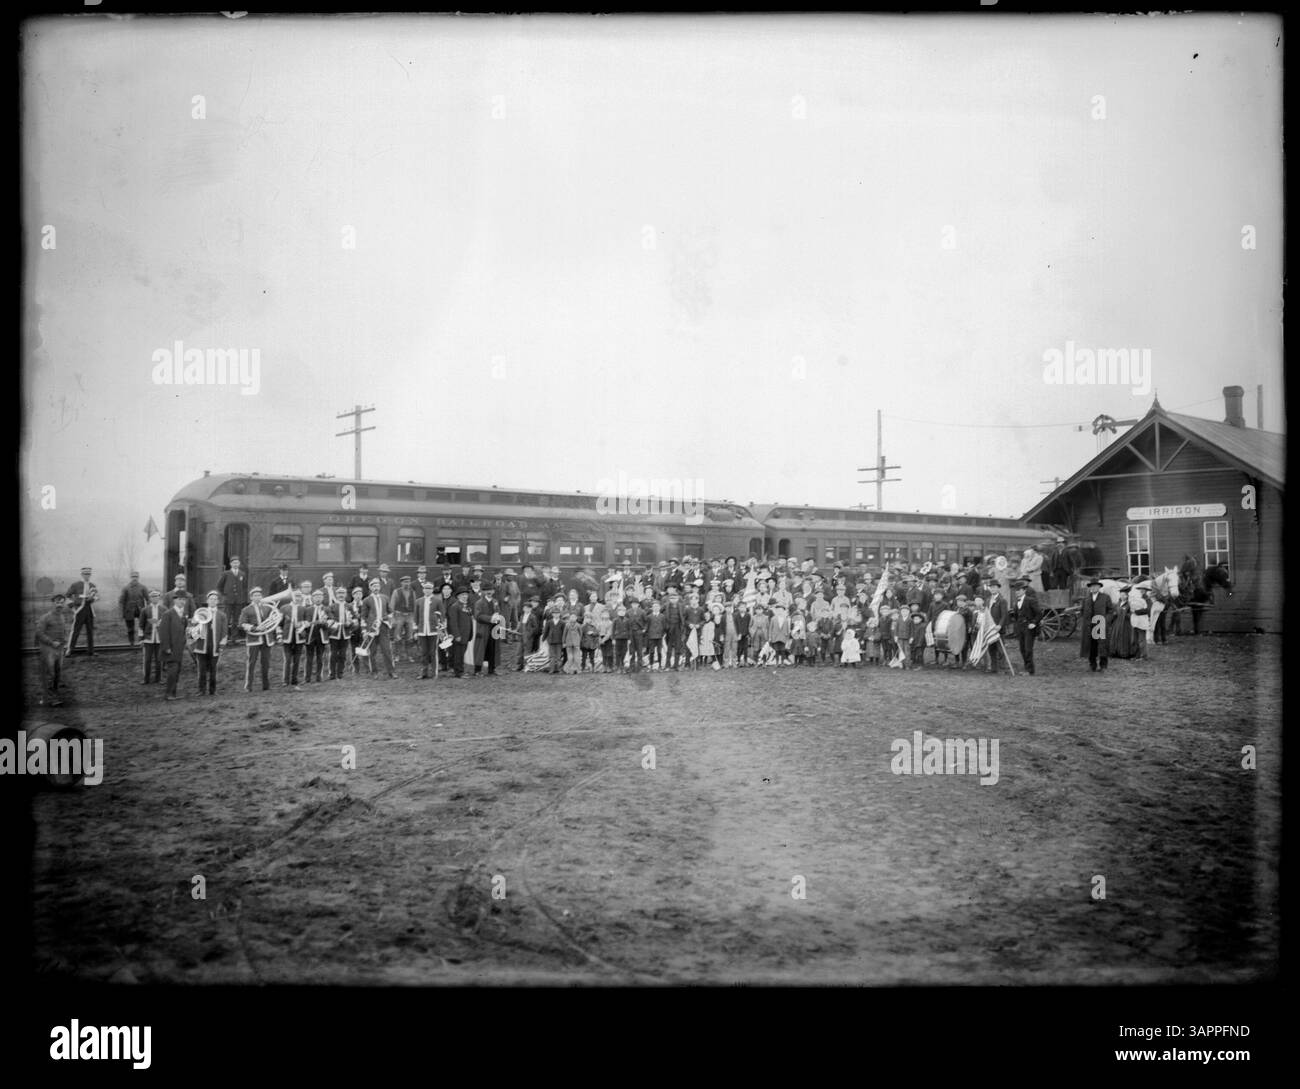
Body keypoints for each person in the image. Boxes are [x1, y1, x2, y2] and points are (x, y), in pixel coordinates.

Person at [239, 587, 277, 692]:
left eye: (259, 595)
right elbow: (242, 624)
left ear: (262, 597)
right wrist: (255, 628)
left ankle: (266, 686)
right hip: (253, 639)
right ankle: (248, 686)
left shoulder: (268, 608)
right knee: (251, 663)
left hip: (266, 639)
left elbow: (274, 619)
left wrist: (277, 618)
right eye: (255, 595)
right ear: (251, 597)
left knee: (266, 663)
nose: (257, 597)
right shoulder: (246, 609)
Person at [35, 593, 69, 705]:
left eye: (62, 602)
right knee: (50, 673)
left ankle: (54, 694)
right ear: (53, 603)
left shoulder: (62, 617)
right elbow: (39, 632)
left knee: (58, 673)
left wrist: (64, 641)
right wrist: (51, 642)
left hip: (59, 649)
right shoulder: (45, 617)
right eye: (57, 602)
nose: (59, 604)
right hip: (48, 650)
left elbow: (63, 631)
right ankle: (50, 699)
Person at [192, 590, 227, 696]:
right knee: (201, 669)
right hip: (202, 645)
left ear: (218, 601)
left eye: (215, 599)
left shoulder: (221, 615)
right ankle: (201, 690)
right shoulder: (200, 612)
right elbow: (193, 626)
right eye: (211, 599)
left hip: (215, 646)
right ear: (207, 600)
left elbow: (224, 631)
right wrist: (195, 623)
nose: (213, 601)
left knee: (213, 669)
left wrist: (221, 645)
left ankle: (213, 690)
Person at [360, 578, 396, 679]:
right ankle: (374, 672)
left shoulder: (385, 598)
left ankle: (391, 671)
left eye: (377, 586)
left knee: (387, 650)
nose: (376, 588)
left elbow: (390, 612)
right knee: (372, 651)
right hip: (371, 629)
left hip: (383, 628)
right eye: (373, 586)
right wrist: (364, 630)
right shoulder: (366, 600)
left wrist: (387, 619)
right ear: (370, 588)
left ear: (380, 587)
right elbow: (363, 617)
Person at [1078, 578, 1115, 672]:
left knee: (1102, 645)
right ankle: (1092, 664)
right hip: (1090, 626)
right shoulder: (1086, 599)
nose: (1094, 588)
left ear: (1099, 587)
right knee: (1091, 646)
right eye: (1092, 586)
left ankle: (1103, 665)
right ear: (1090, 588)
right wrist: (1085, 621)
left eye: (1096, 586)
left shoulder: (1105, 597)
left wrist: (1106, 620)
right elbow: (1082, 611)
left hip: (1101, 624)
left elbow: (1110, 611)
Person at [158, 594, 190, 701]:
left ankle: (173, 693)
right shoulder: (168, 614)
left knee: (177, 671)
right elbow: (163, 632)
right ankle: (169, 694)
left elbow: (184, 629)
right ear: (174, 600)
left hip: (179, 649)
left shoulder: (184, 614)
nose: (182, 602)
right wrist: (166, 647)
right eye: (180, 599)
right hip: (170, 649)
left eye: (184, 599)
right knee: (172, 671)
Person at [1009, 578, 1040, 675]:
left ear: (1024, 590)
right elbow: (1017, 616)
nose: (1017, 592)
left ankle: (1030, 670)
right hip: (1020, 628)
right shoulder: (1016, 602)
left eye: (1019, 590)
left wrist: (1034, 623)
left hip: (1029, 628)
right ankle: (1026, 668)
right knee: (1022, 649)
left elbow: (1039, 613)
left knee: (1028, 649)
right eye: (1016, 590)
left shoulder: (1031, 600)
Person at [65, 566, 98, 656]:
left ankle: (91, 651)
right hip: (79, 611)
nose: (87, 576)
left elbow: (95, 596)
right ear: (82, 574)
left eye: (89, 574)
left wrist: (92, 598)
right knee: (75, 631)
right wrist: (73, 607)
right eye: (85, 574)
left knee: (90, 631)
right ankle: (69, 650)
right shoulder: (75, 585)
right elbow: (67, 596)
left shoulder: (92, 585)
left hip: (89, 610)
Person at [279, 591, 309, 688]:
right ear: (292, 597)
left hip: (299, 637)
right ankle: (285, 680)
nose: (297, 598)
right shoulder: (284, 608)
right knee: (287, 660)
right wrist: (279, 636)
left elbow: (307, 622)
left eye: (299, 596)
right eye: (296, 596)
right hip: (287, 637)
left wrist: (301, 624)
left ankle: (294, 679)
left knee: (297, 660)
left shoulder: (304, 609)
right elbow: (279, 624)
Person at [413, 582, 443, 680]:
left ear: (432, 590)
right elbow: (416, 617)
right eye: (425, 588)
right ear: (423, 590)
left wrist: (441, 629)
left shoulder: (437, 601)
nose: (427, 590)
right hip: (422, 630)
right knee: (424, 652)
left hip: (433, 630)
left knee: (433, 652)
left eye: (429, 588)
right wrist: (415, 631)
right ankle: (424, 672)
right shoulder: (418, 601)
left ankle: (434, 672)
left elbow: (442, 615)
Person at [216, 557, 249, 645]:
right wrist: (225, 594)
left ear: (239, 564)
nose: (235, 564)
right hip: (228, 600)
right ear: (231, 564)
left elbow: (244, 587)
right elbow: (219, 586)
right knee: (226, 619)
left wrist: (241, 597)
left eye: (237, 563)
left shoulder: (242, 574)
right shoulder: (226, 573)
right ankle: (225, 637)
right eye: (234, 563)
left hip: (238, 601)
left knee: (236, 620)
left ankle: (234, 638)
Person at [446, 587, 475, 678]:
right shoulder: (455, 606)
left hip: (466, 634)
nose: (465, 596)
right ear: (458, 596)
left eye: (466, 595)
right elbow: (453, 622)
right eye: (462, 595)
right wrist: (457, 635)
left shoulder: (466, 606)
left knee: (461, 653)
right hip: (460, 635)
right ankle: (459, 672)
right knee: (458, 654)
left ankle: (458, 670)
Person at [139, 589, 166, 684]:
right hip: (148, 639)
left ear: (159, 597)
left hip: (159, 639)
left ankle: (158, 679)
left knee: (159, 660)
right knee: (147, 660)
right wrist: (141, 639)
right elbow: (141, 626)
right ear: (150, 598)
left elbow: (167, 624)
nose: (155, 598)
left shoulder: (164, 609)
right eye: (153, 596)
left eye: (157, 596)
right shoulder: (145, 610)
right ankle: (146, 679)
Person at [328, 587, 354, 679]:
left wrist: (350, 623)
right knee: (333, 654)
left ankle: (340, 672)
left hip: (345, 634)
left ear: (345, 595)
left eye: (343, 593)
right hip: (334, 634)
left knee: (343, 654)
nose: (341, 595)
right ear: (336, 595)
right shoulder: (332, 606)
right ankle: (332, 673)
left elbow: (353, 618)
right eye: (339, 593)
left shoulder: (349, 606)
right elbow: (330, 619)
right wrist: (335, 624)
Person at [304, 589, 329, 683]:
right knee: (309, 658)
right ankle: (307, 678)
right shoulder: (308, 609)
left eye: (320, 596)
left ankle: (319, 677)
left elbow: (330, 623)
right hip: (310, 635)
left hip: (321, 636)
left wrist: (324, 623)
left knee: (320, 658)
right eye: (316, 597)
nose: (318, 598)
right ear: (312, 598)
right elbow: (305, 622)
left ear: (322, 598)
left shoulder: (326, 609)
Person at [119, 571, 150, 646]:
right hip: (129, 611)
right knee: (130, 628)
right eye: (133, 577)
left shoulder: (143, 587)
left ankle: (143, 641)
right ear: (130, 578)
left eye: (136, 577)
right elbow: (121, 601)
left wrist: (149, 611)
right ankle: (131, 642)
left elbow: (148, 599)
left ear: (138, 578)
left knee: (143, 626)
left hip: (140, 610)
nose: (134, 578)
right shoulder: (126, 588)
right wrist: (121, 613)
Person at [391, 575, 417, 664]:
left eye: (408, 582)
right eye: (405, 582)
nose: (407, 584)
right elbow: (392, 606)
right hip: (399, 615)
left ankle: (409, 655)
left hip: (410, 616)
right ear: (401, 583)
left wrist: (414, 618)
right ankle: (397, 655)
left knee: (409, 637)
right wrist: (393, 618)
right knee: (397, 637)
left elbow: (414, 605)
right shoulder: (396, 592)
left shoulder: (412, 592)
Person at [542, 607, 567, 674]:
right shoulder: (549, 622)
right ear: (552, 614)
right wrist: (543, 639)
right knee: (552, 656)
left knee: (559, 656)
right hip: (551, 641)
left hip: (559, 642)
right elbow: (546, 631)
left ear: (559, 614)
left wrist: (564, 641)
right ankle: (551, 669)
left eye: (557, 613)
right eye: (554, 613)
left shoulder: (562, 622)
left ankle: (559, 669)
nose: (556, 615)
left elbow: (564, 633)